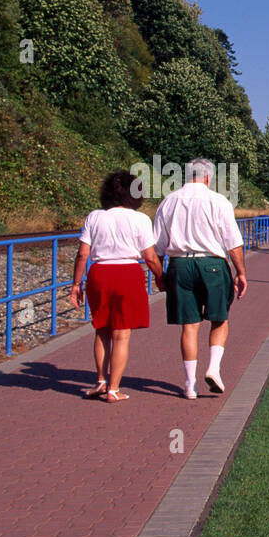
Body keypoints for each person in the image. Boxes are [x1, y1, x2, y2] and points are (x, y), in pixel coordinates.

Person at [153, 158, 248, 400]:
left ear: (187, 176)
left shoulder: (169, 201)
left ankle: (189, 384)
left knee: (189, 325)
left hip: (179, 265)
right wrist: (241, 273)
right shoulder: (218, 201)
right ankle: (213, 369)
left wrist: (159, 275)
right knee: (219, 319)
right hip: (212, 264)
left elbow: (158, 248)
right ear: (208, 177)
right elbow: (233, 244)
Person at [69, 171, 165, 402]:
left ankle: (100, 381)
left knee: (101, 330)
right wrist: (161, 278)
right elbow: (150, 256)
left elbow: (83, 254)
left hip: (99, 273)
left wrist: (75, 285)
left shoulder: (94, 217)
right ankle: (114, 389)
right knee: (121, 334)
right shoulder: (140, 219)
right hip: (128, 274)